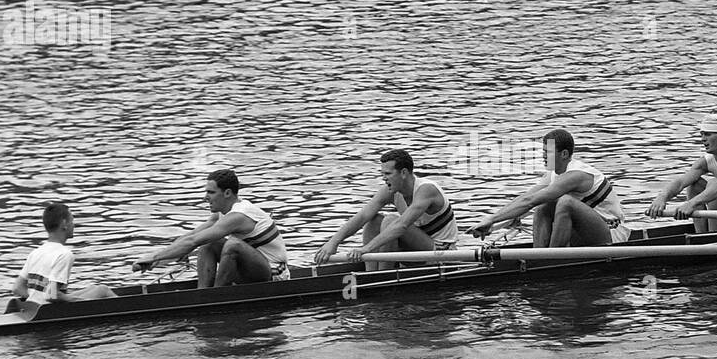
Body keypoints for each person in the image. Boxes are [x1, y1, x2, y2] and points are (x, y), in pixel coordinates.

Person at [470, 128, 629, 247]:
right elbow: (526, 198)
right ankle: (539, 257)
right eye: (543, 151)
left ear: (564, 154)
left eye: (549, 152)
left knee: (566, 202)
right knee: (543, 205)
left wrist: (491, 219)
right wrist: (493, 224)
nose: (543, 156)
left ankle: (551, 259)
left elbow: (529, 201)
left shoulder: (576, 175)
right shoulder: (552, 174)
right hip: (585, 232)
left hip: (612, 236)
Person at [134, 169, 290, 286]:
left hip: (275, 274)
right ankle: (203, 294)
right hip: (251, 269)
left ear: (227, 193)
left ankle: (216, 295)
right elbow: (191, 237)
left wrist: (154, 256)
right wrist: (159, 259)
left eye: (211, 192)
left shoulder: (239, 215)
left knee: (232, 244)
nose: (205, 197)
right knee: (209, 243)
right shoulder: (221, 214)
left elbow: (192, 242)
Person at [314, 149, 458, 271]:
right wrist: (333, 242)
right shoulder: (390, 190)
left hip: (442, 253)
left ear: (403, 173)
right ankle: (370, 272)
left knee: (391, 220)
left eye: (388, 174)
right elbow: (362, 216)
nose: (384, 178)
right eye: (382, 174)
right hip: (417, 251)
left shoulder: (426, 189)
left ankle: (382, 275)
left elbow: (401, 226)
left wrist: (366, 249)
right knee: (374, 220)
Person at [12, 203, 116, 306]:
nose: (73, 225)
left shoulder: (36, 252)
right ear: (64, 224)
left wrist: (36, 299)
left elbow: (17, 288)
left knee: (94, 288)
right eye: (72, 221)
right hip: (49, 310)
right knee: (103, 291)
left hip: (33, 307)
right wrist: (76, 300)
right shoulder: (64, 254)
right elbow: (51, 295)